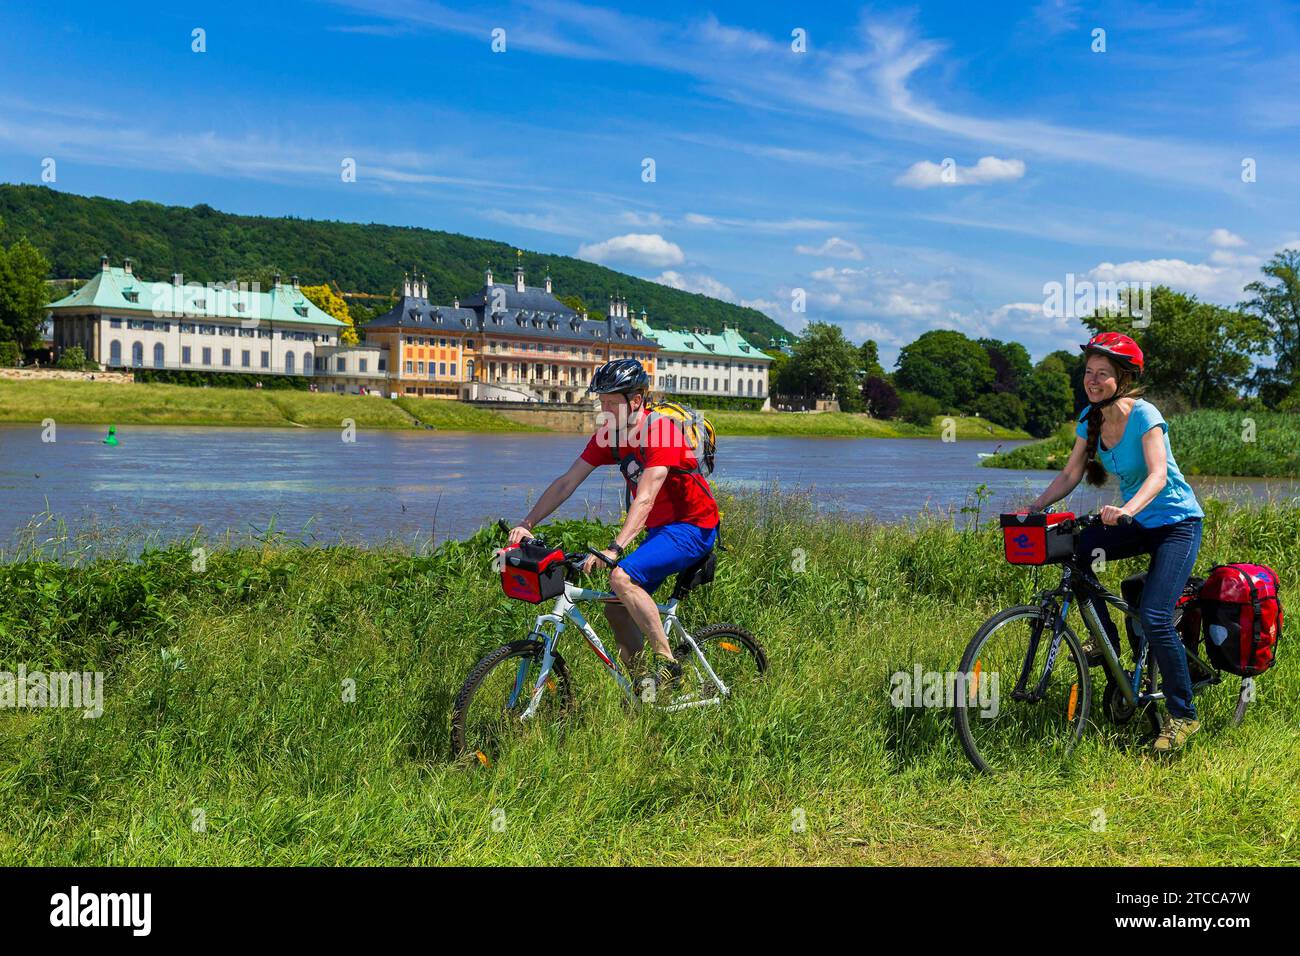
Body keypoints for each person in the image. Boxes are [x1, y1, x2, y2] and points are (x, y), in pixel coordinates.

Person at [1027, 332, 1204, 754]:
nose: (1093, 380)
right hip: (1138, 520)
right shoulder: (1090, 418)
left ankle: (1183, 716)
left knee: (1157, 616)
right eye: (1089, 372)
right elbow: (1071, 474)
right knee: (1074, 547)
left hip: (1176, 523)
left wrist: (1127, 508)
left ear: (1122, 379)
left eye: (1103, 374)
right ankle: (1103, 642)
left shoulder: (1145, 415)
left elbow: (1158, 475)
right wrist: (1035, 508)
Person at [507, 358, 720, 694]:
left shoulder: (660, 432)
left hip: (692, 527)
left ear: (635, 400)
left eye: (610, 402)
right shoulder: (611, 436)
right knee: (616, 607)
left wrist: (615, 548)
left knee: (621, 577)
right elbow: (567, 482)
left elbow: (646, 497)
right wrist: (527, 523)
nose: (603, 409)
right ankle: (645, 689)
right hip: (660, 531)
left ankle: (667, 664)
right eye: (601, 401)